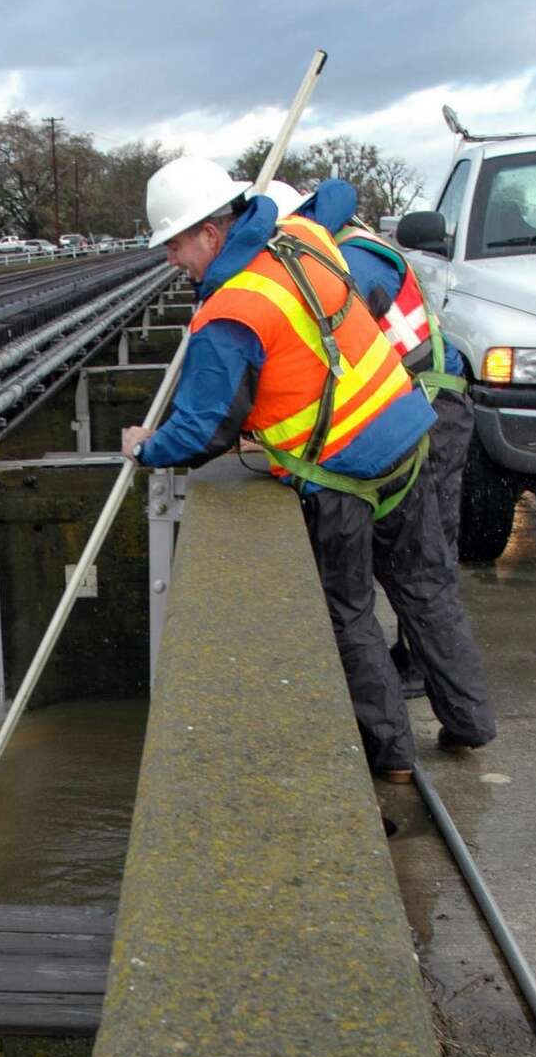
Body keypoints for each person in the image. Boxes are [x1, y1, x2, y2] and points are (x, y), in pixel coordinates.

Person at [122, 157, 495, 780]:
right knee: (426, 589)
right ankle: (470, 722)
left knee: (349, 616)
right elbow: (335, 199)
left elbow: (204, 430)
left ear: (213, 233)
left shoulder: (229, 316)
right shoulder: (304, 239)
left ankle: (392, 759)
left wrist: (145, 446)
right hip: (405, 439)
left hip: (340, 480)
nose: (171, 260)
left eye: (176, 243)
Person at [268, 180, 476, 707]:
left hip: (429, 408)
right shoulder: (349, 248)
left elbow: (323, 343)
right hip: (418, 404)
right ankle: (439, 685)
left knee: (424, 560)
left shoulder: (348, 264)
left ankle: (422, 672)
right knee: (419, 558)